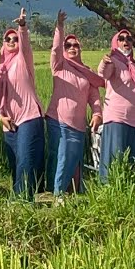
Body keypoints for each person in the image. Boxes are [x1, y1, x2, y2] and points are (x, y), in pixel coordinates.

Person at [46, 11, 102, 196]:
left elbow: (93, 96)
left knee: (74, 158)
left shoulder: (87, 72)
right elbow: (55, 51)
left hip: (78, 124)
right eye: (68, 45)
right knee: (62, 156)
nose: (72, 47)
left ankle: (74, 190)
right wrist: (60, 27)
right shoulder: (60, 66)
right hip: (59, 120)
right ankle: (57, 194)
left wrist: (97, 113)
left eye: (75, 45)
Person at [0, 8, 45, 197]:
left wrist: (22, 27)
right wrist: (0, 116)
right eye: (8, 39)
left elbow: (25, 46)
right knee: (15, 162)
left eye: (14, 39)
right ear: (3, 43)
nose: (12, 42)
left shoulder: (23, 60)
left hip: (29, 116)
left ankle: (23, 202)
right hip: (9, 121)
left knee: (25, 159)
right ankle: (21, 197)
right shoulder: (0, 68)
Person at [97, 28, 135, 180]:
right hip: (117, 117)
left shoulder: (133, 64)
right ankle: (110, 191)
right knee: (114, 158)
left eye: (128, 39)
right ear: (116, 42)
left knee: (133, 160)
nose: (125, 41)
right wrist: (104, 62)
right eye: (121, 39)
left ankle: (133, 191)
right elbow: (103, 73)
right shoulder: (113, 60)